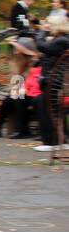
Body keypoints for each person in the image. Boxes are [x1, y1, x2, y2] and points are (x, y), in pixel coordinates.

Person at [33, 13, 69, 152]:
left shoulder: (62, 40)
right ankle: (62, 139)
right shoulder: (62, 39)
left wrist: (42, 31)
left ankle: (51, 142)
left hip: (53, 82)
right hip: (54, 81)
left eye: (49, 24)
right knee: (48, 106)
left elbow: (42, 46)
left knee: (45, 108)